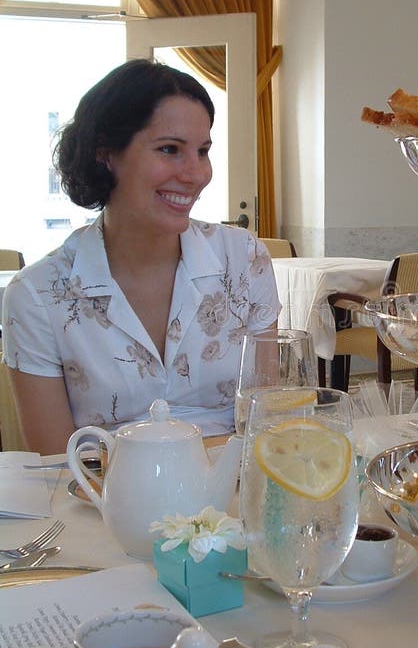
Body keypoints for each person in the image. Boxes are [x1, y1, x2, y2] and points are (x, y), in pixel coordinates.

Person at [1, 59, 280, 454]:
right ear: (105, 154)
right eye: (170, 149)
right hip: (103, 506)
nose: (196, 173)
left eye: (202, 151)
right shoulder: (38, 296)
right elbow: (55, 465)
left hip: (233, 497)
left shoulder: (244, 260)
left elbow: (265, 422)